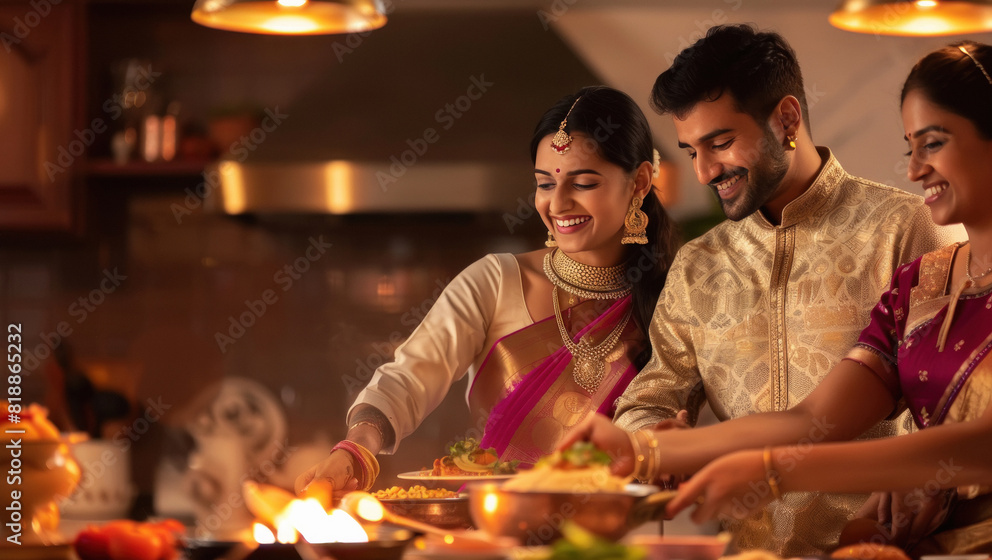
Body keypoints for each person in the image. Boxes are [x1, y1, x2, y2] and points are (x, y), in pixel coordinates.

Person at [566, 40, 992, 557]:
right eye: (911, 147)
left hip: (879, 541)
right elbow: (810, 420)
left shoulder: (906, 229)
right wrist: (645, 446)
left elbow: (970, 439)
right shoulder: (922, 282)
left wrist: (774, 472)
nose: (703, 172)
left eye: (720, 142)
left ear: (787, 119)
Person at [294, 86, 679, 495]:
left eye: (583, 183)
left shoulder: (674, 296)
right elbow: (408, 377)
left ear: (639, 183)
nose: (558, 204)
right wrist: (354, 450)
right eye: (545, 184)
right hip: (494, 531)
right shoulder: (496, 281)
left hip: (619, 539)